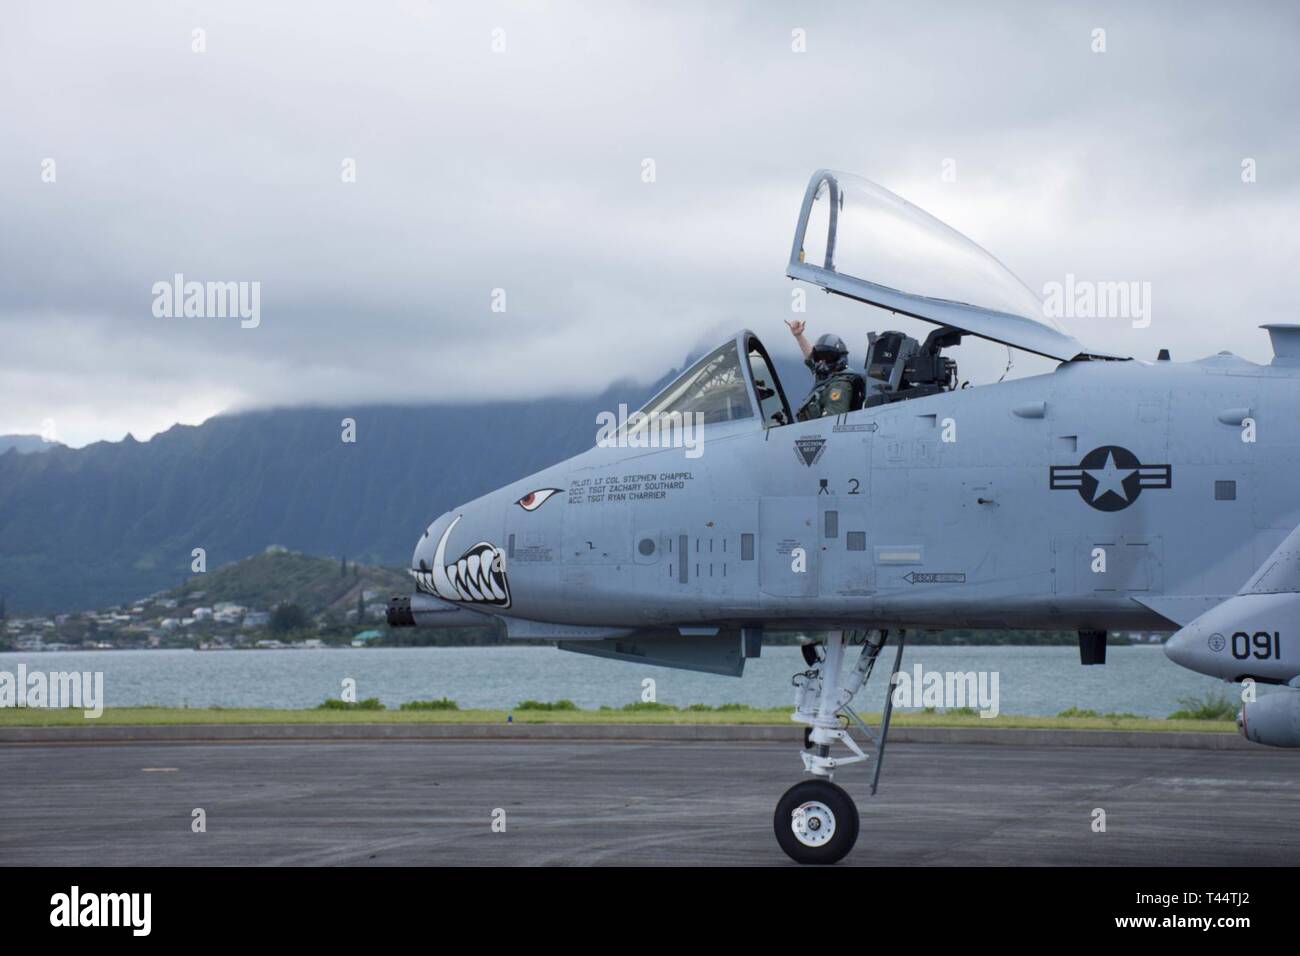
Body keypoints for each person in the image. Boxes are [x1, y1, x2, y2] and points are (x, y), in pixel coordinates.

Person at [785, 319, 865, 420]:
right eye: (820, 357)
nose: (823, 362)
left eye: (828, 357)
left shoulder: (840, 385)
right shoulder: (827, 378)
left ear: (839, 357)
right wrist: (799, 336)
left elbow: (830, 423)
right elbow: (812, 359)